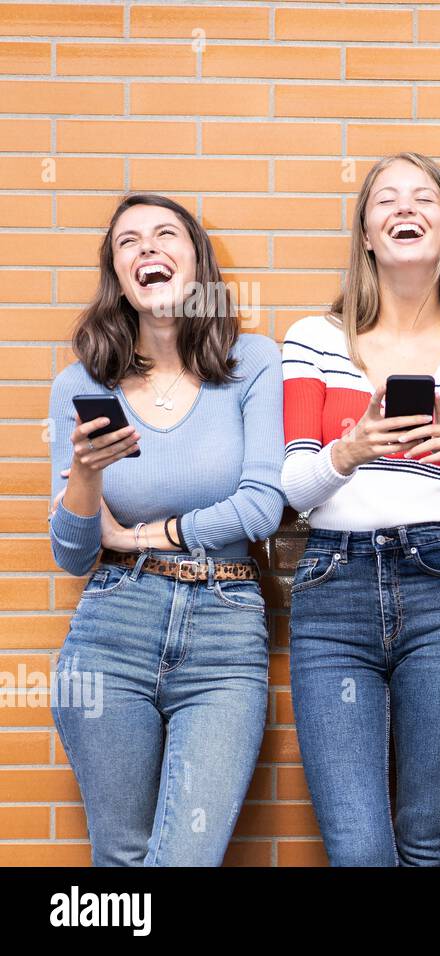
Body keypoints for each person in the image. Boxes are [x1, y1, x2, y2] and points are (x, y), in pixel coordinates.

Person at [281, 153, 440, 866]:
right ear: (366, 234)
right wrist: (348, 450)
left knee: (427, 840)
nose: (405, 208)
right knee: (357, 849)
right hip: (332, 591)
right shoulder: (314, 340)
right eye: (386, 200)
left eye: (423, 198)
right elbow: (291, 490)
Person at [48, 193, 285, 866]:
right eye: (129, 241)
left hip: (225, 628)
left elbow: (262, 506)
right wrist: (87, 478)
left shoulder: (252, 362)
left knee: (186, 857)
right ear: (117, 274)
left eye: (164, 234)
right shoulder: (80, 384)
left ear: (196, 260)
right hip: (112, 627)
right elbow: (72, 552)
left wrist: (143, 535)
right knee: (119, 860)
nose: (147, 248)